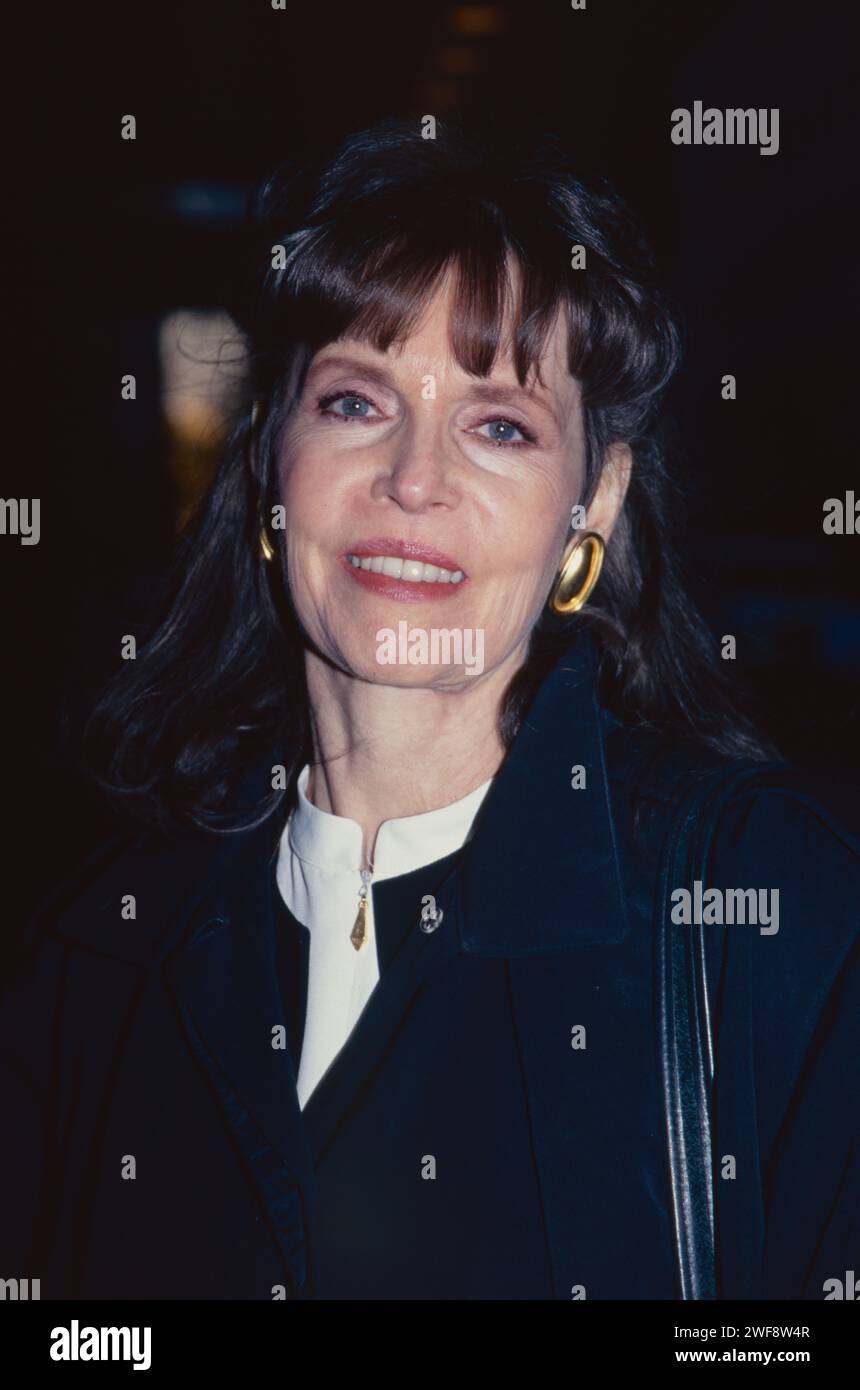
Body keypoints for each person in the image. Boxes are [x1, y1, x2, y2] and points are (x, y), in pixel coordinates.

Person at [2, 121, 859, 1301]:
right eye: (355, 402)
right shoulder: (102, 952)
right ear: (270, 459)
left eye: (498, 424)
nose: (413, 480)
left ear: (591, 501)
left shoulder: (770, 913)